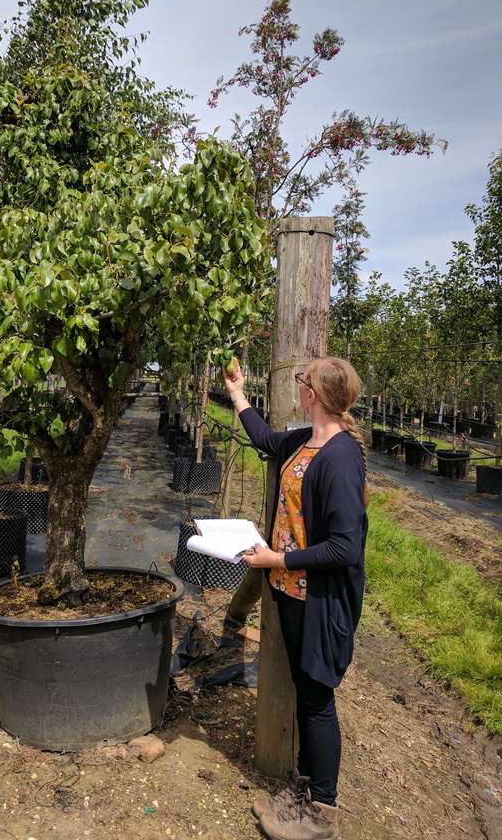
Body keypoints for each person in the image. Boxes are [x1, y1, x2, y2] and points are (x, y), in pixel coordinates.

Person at [223, 356, 369, 840]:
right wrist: (238, 392)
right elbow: (265, 440)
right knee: (308, 693)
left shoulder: (341, 457)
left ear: (314, 394)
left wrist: (277, 561)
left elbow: (345, 548)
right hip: (291, 594)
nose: (299, 386)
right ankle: (306, 791)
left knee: (316, 698)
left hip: (318, 600)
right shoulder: (305, 441)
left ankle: (322, 811)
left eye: (303, 381)